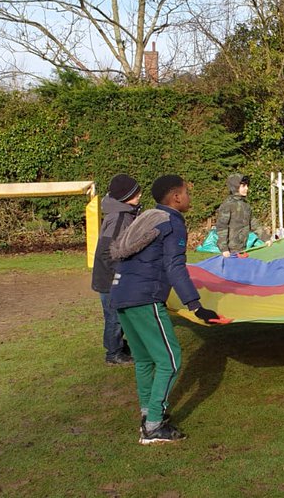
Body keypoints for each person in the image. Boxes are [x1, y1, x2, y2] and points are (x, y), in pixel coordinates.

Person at [109, 174, 231, 444]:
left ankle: (147, 415)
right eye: (186, 192)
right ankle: (154, 425)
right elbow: (175, 267)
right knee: (170, 360)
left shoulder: (148, 218)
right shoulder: (171, 223)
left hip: (120, 295)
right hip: (144, 298)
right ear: (176, 197)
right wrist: (196, 307)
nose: (189, 197)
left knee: (144, 360)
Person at [91, 174, 142, 365]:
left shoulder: (126, 213)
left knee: (119, 314)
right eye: (135, 193)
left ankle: (119, 345)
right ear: (125, 196)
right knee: (114, 316)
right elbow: (107, 251)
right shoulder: (119, 217)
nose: (140, 195)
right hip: (110, 278)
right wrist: (120, 274)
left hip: (114, 276)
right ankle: (113, 353)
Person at [215, 173, 271, 258]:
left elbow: (254, 224)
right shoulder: (228, 205)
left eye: (247, 186)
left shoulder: (245, 205)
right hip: (230, 251)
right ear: (235, 187)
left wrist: (265, 238)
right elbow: (222, 227)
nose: (247, 188)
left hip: (242, 247)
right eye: (243, 186)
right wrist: (224, 248)